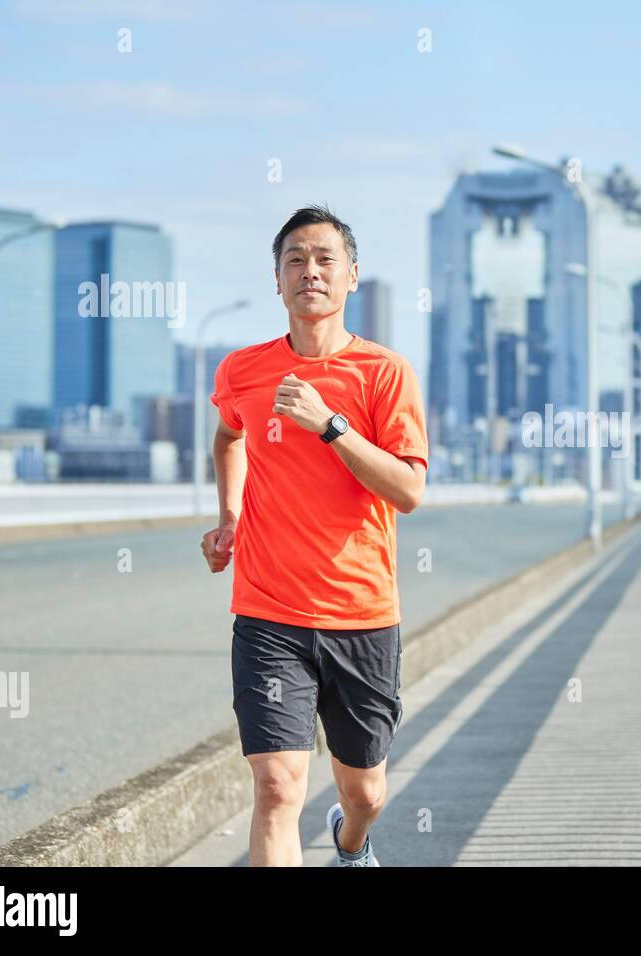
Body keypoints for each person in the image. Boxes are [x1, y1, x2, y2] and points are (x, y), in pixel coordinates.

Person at [201, 204, 428, 867]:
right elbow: (228, 435)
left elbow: (409, 490)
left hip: (361, 616)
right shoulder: (243, 370)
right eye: (295, 259)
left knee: (366, 791)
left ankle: (351, 846)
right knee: (276, 787)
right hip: (269, 614)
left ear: (351, 276)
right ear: (277, 280)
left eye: (325, 259)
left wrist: (330, 425)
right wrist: (230, 517)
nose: (310, 271)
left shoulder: (385, 374)